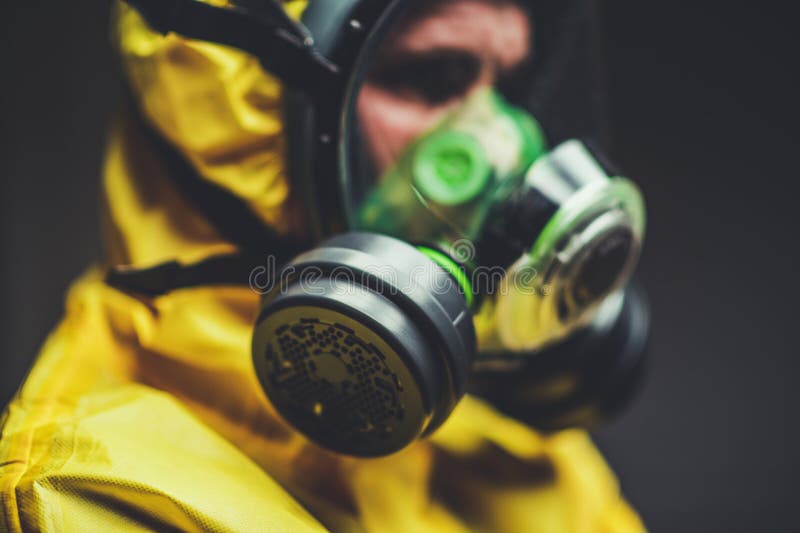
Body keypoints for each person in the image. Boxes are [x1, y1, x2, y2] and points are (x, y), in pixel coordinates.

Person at [0, 0, 646, 531]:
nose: (507, 144)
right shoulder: (99, 496)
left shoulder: (506, 441)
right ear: (257, 114)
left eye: (505, 86)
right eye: (432, 79)